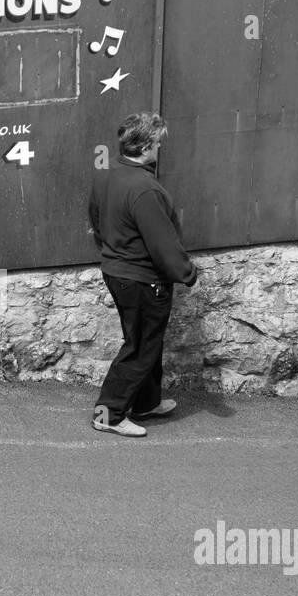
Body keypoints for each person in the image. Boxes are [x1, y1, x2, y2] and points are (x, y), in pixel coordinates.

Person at [88, 111, 198, 437]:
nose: (160, 148)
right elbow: (162, 242)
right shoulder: (145, 189)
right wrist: (186, 273)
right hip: (142, 279)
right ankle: (108, 414)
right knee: (140, 348)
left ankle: (147, 402)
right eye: (159, 143)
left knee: (148, 341)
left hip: (118, 272)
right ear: (147, 145)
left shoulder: (107, 174)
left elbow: (96, 220)